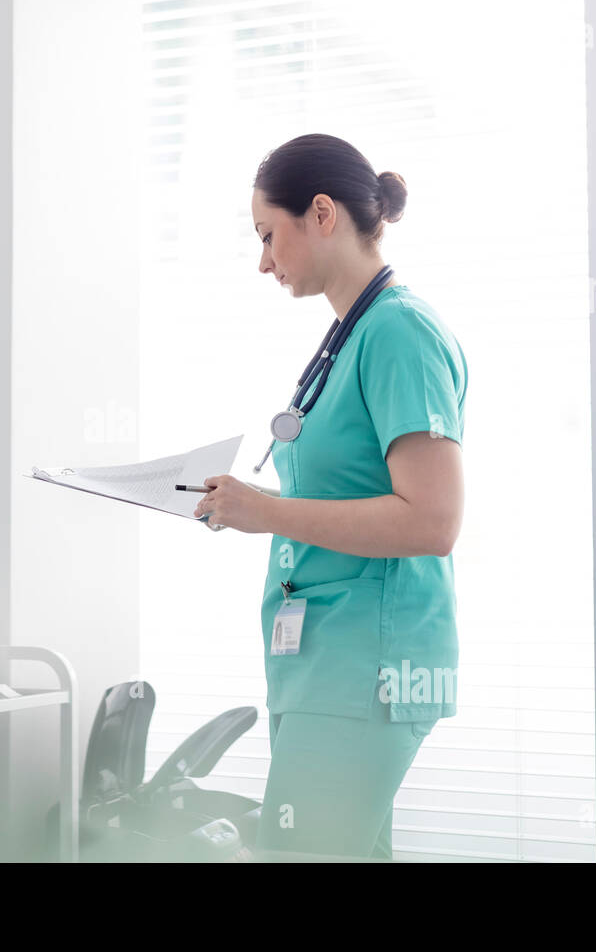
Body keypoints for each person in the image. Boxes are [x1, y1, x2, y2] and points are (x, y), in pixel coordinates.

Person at [192, 133, 467, 860]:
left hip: (369, 666)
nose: (262, 261)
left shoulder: (399, 333)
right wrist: (244, 504)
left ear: (321, 214)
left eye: (267, 236)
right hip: (324, 664)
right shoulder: (353, 335)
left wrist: (266, 511)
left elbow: (434, 521)